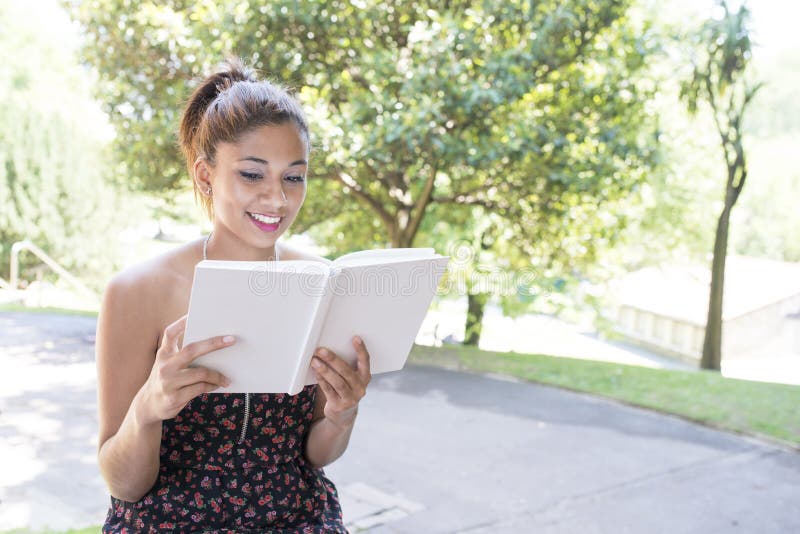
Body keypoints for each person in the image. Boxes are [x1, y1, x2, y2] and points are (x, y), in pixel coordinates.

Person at [96, 57, 371, 533]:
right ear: (206, 175)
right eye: (252, 174)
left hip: (297, 518)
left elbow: (316, 453)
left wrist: (342, 415)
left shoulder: (321, 282)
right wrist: (149, 408)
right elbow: (124, 484)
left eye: (294, 176)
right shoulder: (137, 293)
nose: (278, 199)